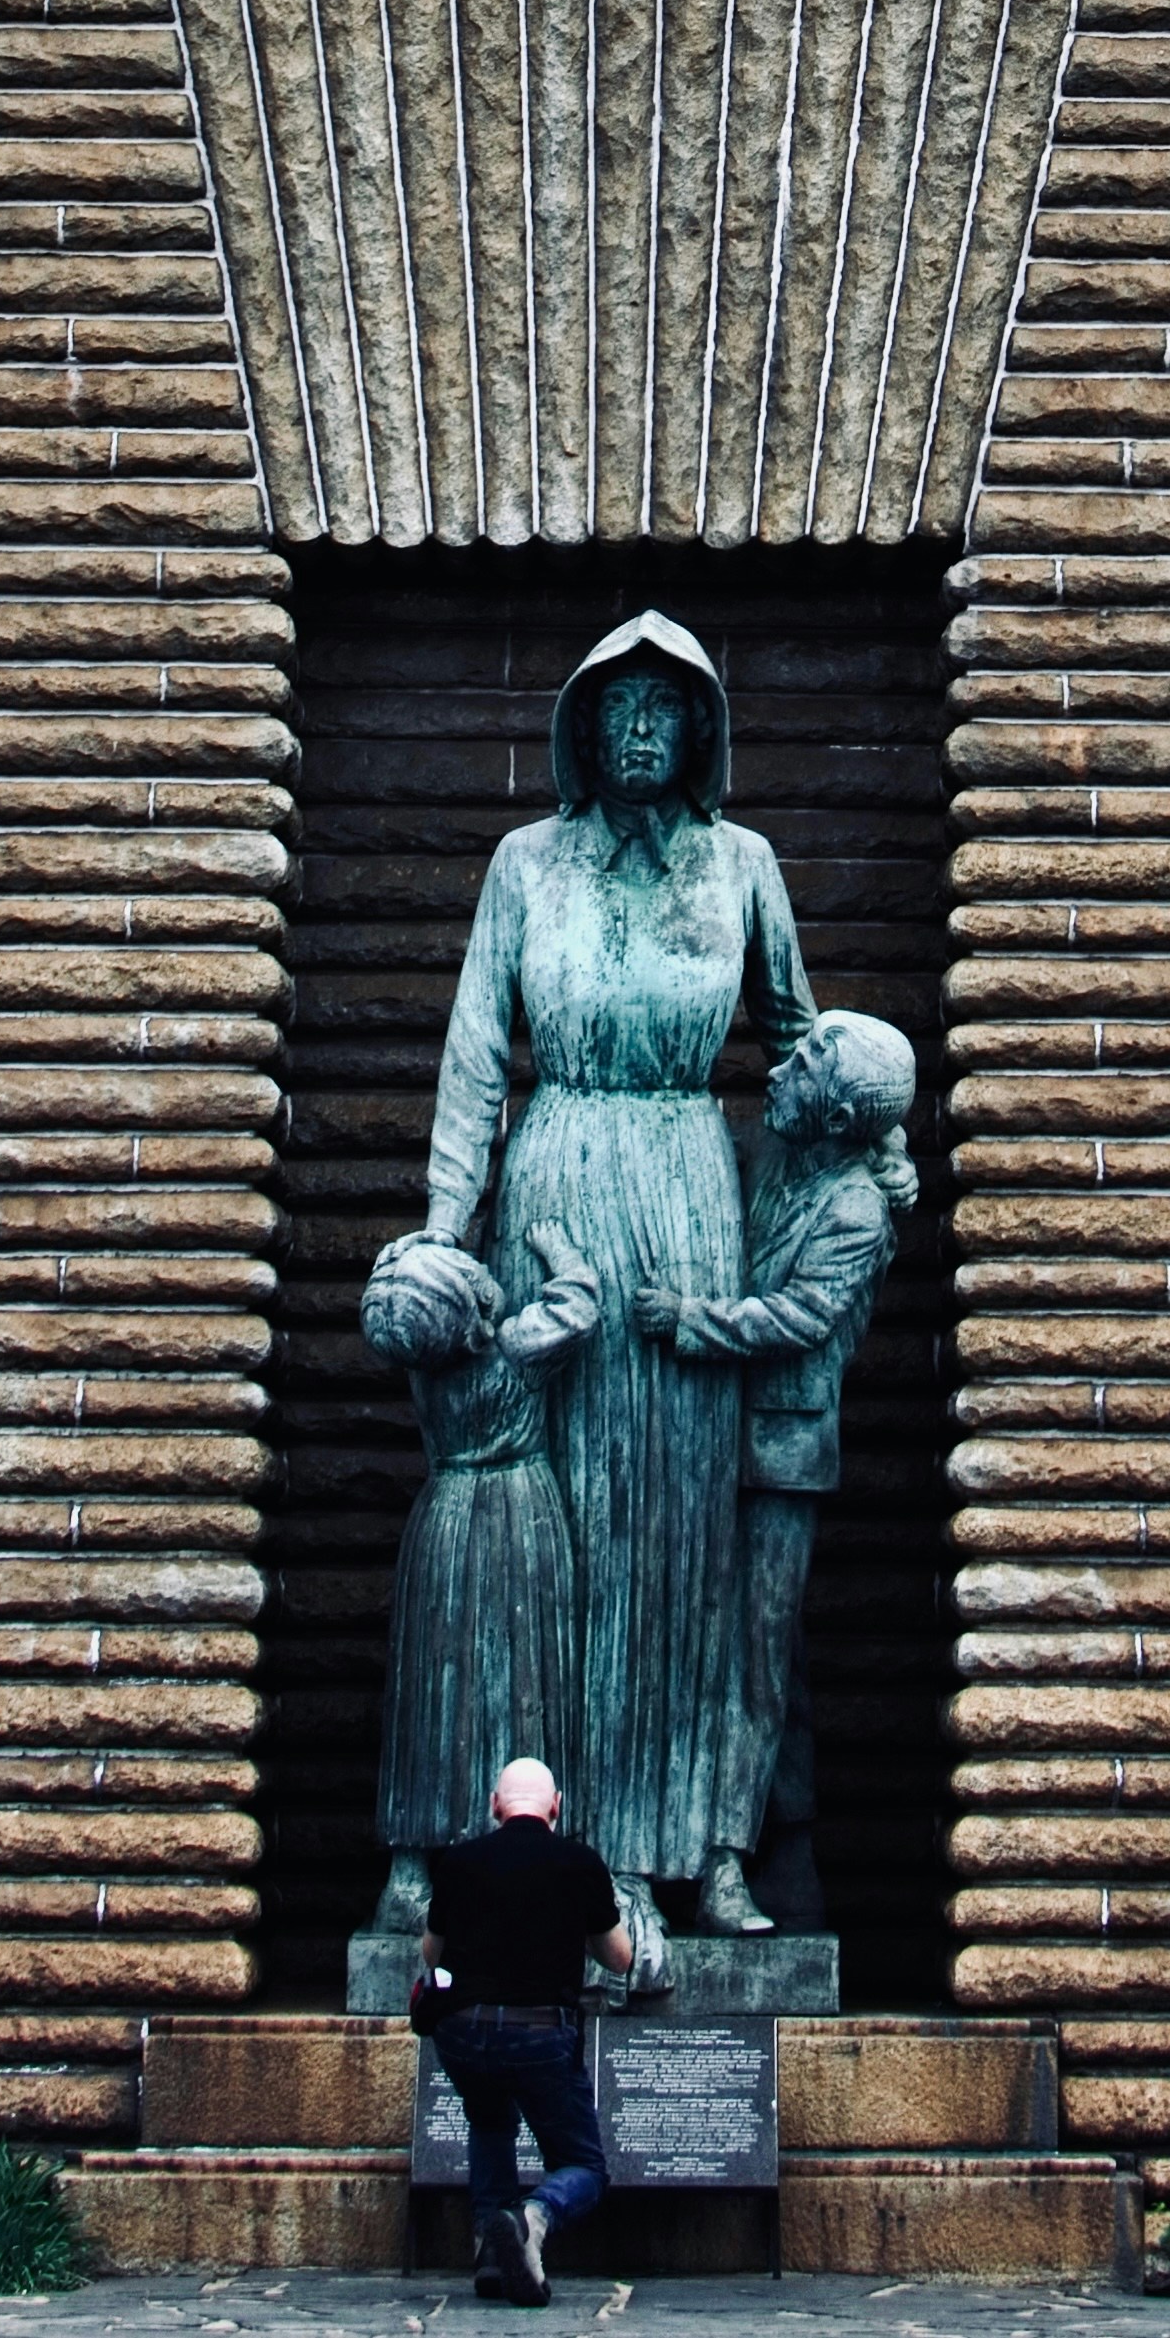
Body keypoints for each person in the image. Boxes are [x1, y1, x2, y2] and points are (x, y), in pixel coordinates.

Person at [422, 609, 816, 1919]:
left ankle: (692, 1845)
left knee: (684, 1543)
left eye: (665, 707)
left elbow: (804, 1058)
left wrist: (853, 1197)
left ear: (699, 726)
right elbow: (477, 1056)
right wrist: (443, 1233)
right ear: (581, 726)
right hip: (559, 1183)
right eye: (617, 707)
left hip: (691, 1194)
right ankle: (563, 1854)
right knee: (562, 1535)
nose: (640, 729)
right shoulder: (523, 864)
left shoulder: (743, 863)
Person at [635, 1006, 918, 1930]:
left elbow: (798, 1317)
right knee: (740, 1659)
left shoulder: (855, 1206)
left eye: (806, 1063)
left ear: (838, 1116)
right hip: (711, 1437)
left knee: (755, 1670)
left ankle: (725, 1861)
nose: (780, 1070)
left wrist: (688, 1317)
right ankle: (741, 1849)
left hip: (781, 1458)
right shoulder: (778, 1152)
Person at [359, 1224, 597, 1931]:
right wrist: (558, 1247)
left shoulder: (423, 1361)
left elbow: (402, 1288)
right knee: (523, 1681)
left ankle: (410, 1874)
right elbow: (580, 1304)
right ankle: (523, 1854)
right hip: (517, 1515)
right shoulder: (513, 1350)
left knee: (432, 1695)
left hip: (444, 1521)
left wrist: (413, 1253)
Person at [421, 1753, 636, 2305]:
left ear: (495, 1805)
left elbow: (432, 1952)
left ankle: (491, 2255)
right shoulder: (578, 1862)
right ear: (555, 1808)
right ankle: (531, 2221)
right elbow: (619, 1958)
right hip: (540, 2033)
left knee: (491, 2123)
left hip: (463, 2034)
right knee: (583, 2164)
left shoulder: (458, 1862)